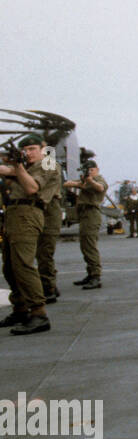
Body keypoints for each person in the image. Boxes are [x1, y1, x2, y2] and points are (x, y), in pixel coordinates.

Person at [0, 134, 61, 333]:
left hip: (28, 213)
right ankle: (20, 309)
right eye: (25, 150)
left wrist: (17, 166)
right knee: (10, 267)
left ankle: (38, 313)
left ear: (43, 149)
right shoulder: (26, 167)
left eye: (32, 148)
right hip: (14, 214)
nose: (28, 153)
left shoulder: (49, 164)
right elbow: (7, 172)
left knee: (23, 265)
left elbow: (32, 187)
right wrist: (12, 164)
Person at [63, 161, 108, 291]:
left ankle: (95, 276)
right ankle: (90, 274)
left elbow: (100, 187)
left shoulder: (99, 179)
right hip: (84, 214)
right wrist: (81, 184)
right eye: (88, 170)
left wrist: (89, 181)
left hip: (91, 213)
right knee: (85, 246)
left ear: (97, 169)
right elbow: (66, 184)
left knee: (89, 246)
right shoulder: (86, 181)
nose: (90, 172)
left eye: (91, 169)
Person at [37, 156, 63, 304]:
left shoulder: (49, 165)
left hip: (49, 211)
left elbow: (41, 192)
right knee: (42, 252)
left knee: (45, 252)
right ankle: (50, 284)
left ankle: (48, 289)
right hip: (42, 212)